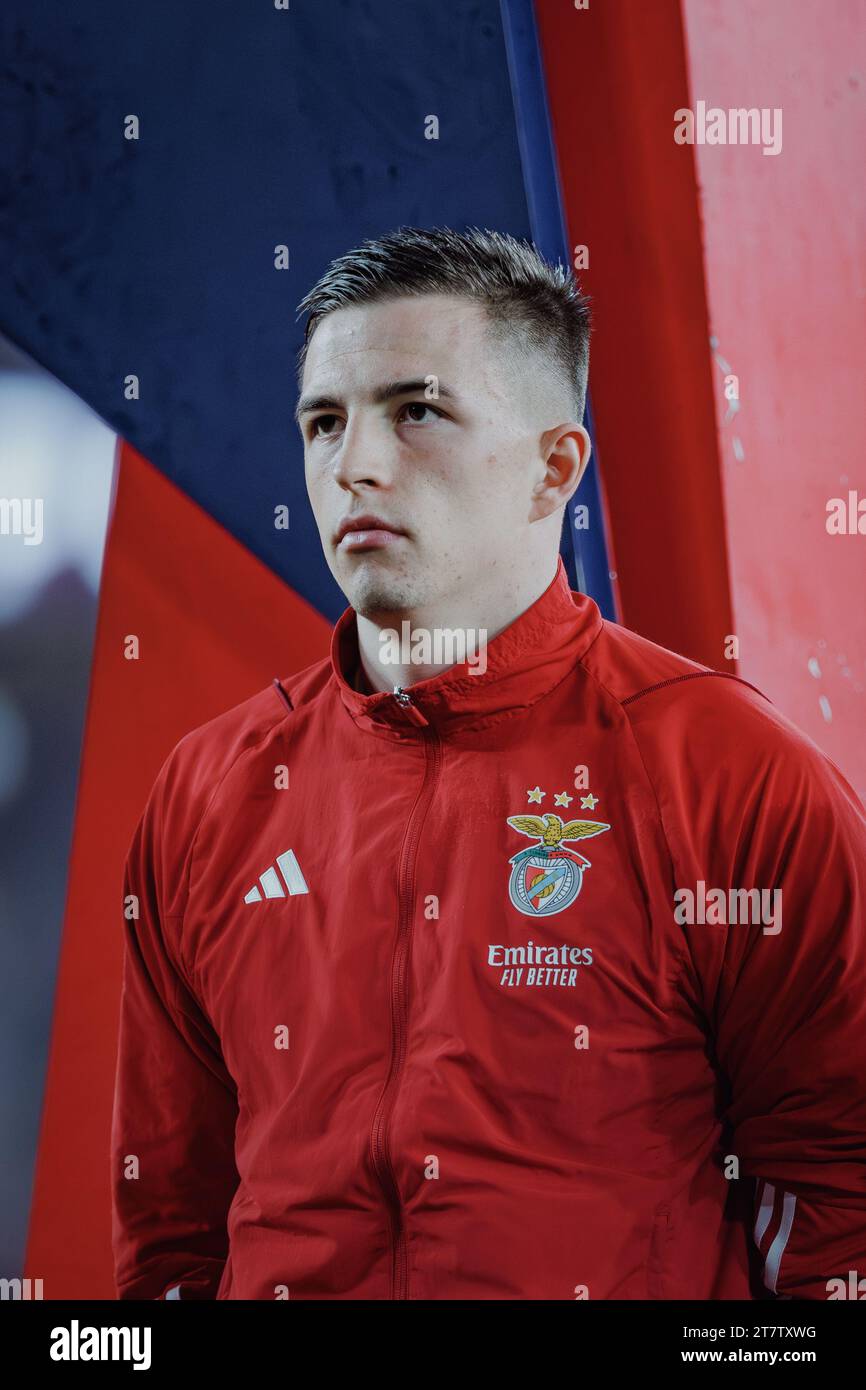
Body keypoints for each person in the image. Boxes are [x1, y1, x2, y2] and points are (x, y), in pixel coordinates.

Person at [111, 226, 866, 1301]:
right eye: (324, 422)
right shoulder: (209, 792)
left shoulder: (732, 779)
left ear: (552, 467)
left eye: (414, 411)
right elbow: (170, 1223)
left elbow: (841, 1195)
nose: (353, 464)